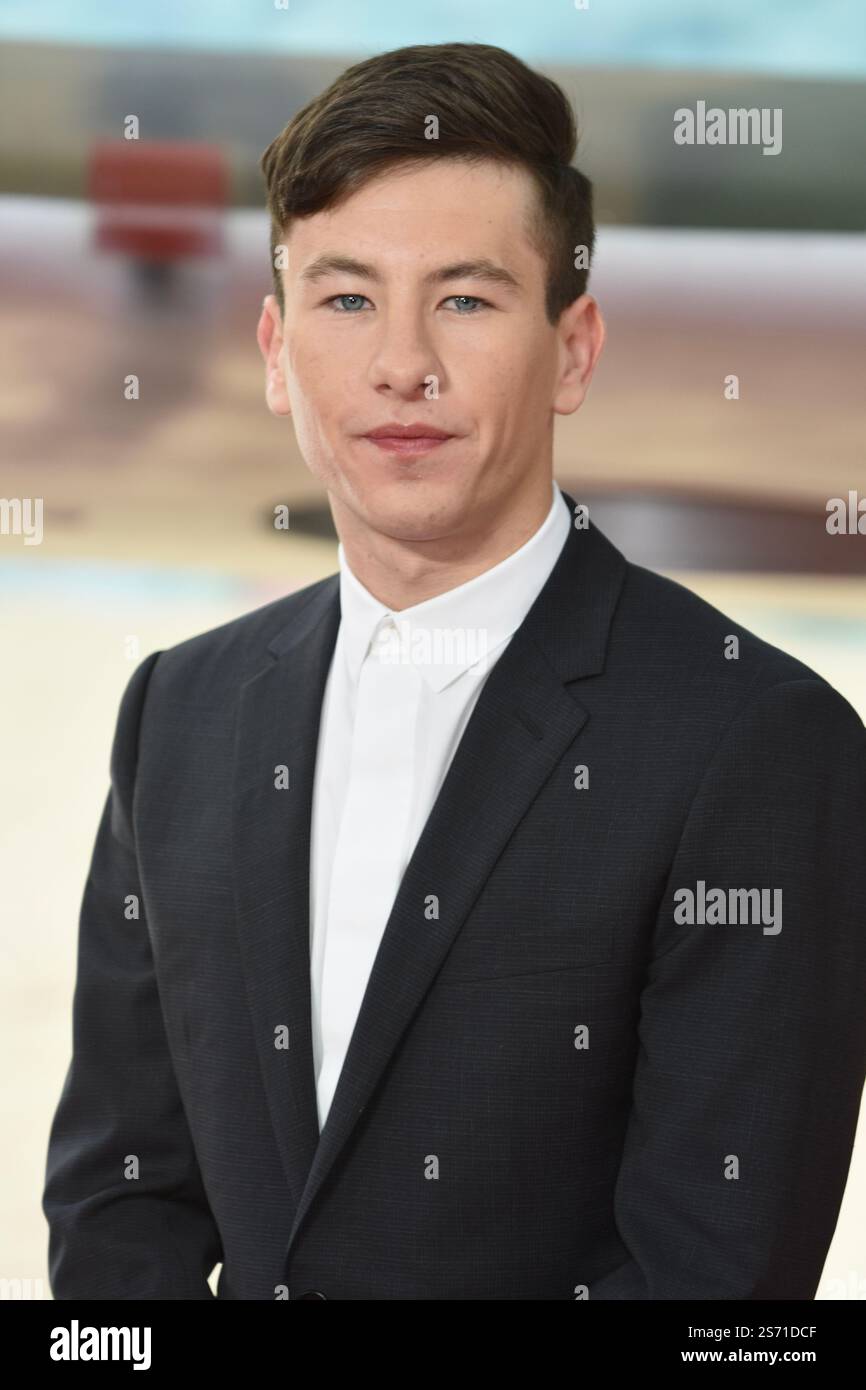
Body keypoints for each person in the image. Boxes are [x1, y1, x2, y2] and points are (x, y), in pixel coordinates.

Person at [43, 42, 866, 1300]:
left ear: (574, 348)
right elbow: (119, 1194)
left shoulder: (751, 739)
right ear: (274, 349)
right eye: (346, 298)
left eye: (467, 300)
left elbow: (720, 1288)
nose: (400, 365)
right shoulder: (181, 710)